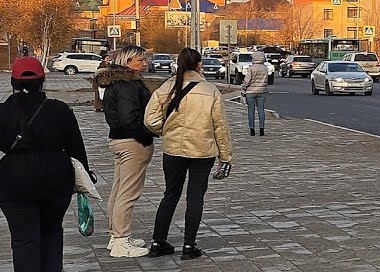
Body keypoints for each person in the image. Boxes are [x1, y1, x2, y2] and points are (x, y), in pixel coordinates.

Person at [0, 56, 90, 272]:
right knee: (52, 229)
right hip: (56, 180)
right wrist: (85, 180)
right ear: (42, 81)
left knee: (24, 238)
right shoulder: (60, 110)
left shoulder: (1, 113)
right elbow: (77, 149)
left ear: (13, 81)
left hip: (15, 182)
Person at [144, 48, 233, 260]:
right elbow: (220, 126)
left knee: (170, 194)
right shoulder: (210, 91)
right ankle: (189, 245)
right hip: (202, 151)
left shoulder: (167, 87)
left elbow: (150, 119)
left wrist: (164, 131)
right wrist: (226, 156)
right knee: (195, 197)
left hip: (173, 150)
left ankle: (158, 242)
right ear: (199, 65)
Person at [97, 45, 154, 258]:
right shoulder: (127, 85)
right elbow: (130, 117)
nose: (145, 63)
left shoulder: (115, 82)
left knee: (119, 189)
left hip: (119, 139)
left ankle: (116, 236)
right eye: (140, 60)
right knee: (128, 193)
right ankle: (121, 240)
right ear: (127, 62)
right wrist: (145, 136)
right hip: (132, 142)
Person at [241, 51, 269, 137]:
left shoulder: (251, 68)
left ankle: (252, 130)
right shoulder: (265, 68)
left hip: (250, 92)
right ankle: (261, 130)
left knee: (251, 111)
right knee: (261, 110)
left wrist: (243, 88)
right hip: (262, 91)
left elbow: (247, 80)